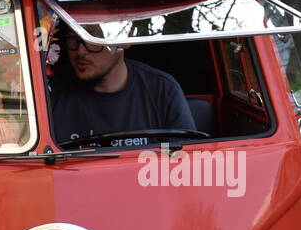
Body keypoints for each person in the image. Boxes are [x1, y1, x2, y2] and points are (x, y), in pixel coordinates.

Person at [49, 26, 196, 147]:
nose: (80, 51)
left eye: (93, 38)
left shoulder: (162, 89)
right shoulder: (50, 92)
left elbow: (182, 163)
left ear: (125, 39)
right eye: (73, 39)